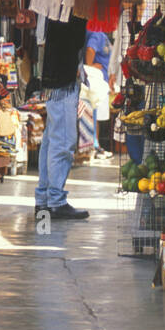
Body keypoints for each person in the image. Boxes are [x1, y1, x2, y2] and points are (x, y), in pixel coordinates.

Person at [36, 14, 91, 220]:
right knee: (63, 140)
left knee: (51, 140)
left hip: (56, 79)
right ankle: (56, 201)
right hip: (62, 81)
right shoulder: (67, 6)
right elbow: (72, 42)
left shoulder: (54, 3)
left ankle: (44, 199)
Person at [83, 28, 115, 160]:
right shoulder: (97, 33)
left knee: (95, 115)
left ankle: (95, 146)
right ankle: (94, 147)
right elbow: (90, 49)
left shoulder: (101, 34)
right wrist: (89, 65)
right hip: (96, 81)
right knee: (94, 115)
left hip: (101, 81)